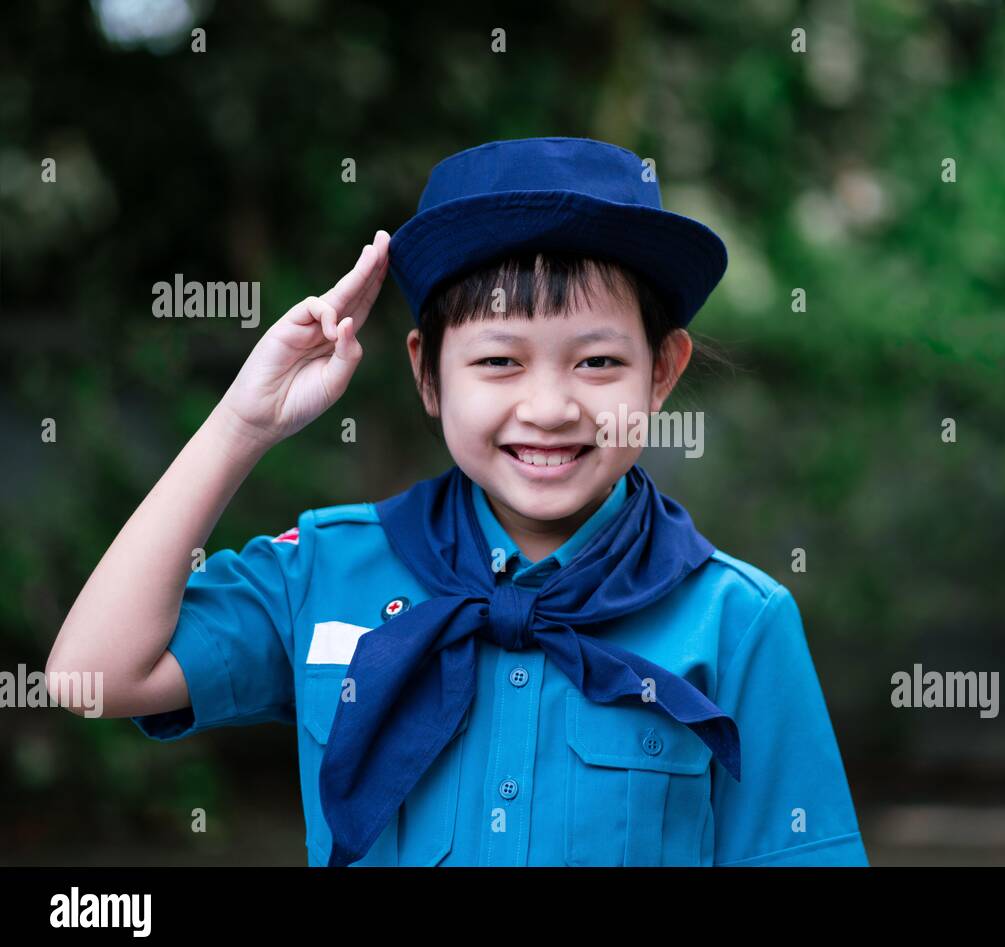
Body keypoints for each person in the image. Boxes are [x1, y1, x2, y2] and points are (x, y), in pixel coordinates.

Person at [47, 136, 869, 867]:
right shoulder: (328, 571)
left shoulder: (737, 621)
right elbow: (91, 675)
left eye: (596, 363)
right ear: (426, 373)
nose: (549, 407)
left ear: (662, 372)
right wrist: (241, 423)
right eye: (499, 362)